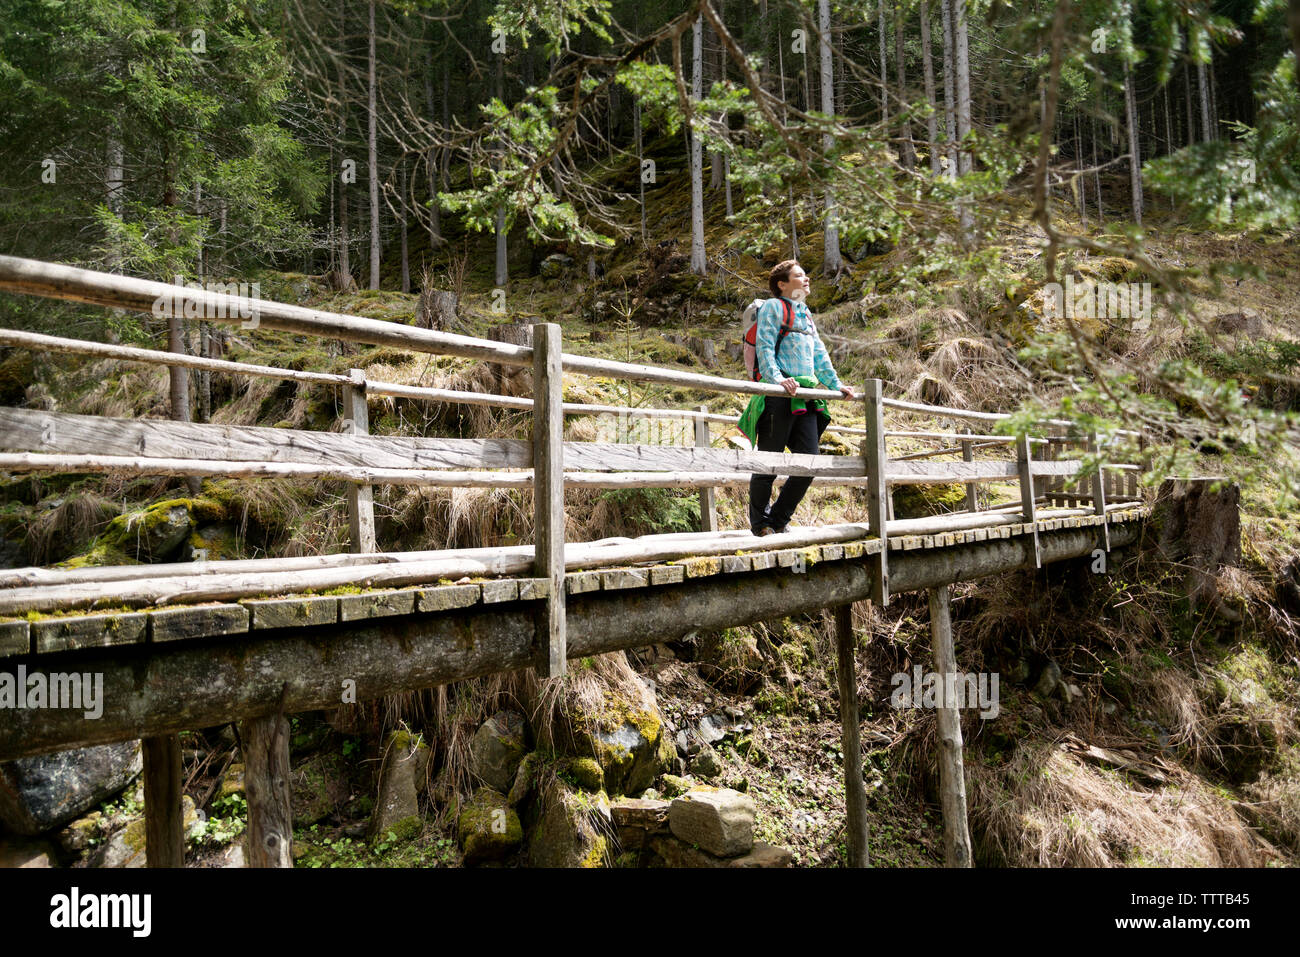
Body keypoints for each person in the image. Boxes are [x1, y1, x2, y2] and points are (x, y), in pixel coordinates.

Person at [745, 260, 855, 536]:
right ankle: (760, 525)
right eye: (799, 276)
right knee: (769, 462)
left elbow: (820, 356)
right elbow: (765, 346)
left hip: (805, 397)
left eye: (806, 275)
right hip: (778, 396)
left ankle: (779, 518)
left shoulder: (805, 314)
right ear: (782, 284)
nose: (806, 279)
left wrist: (837, 385)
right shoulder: (772, 307)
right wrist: (778, 379)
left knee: (809, 461)